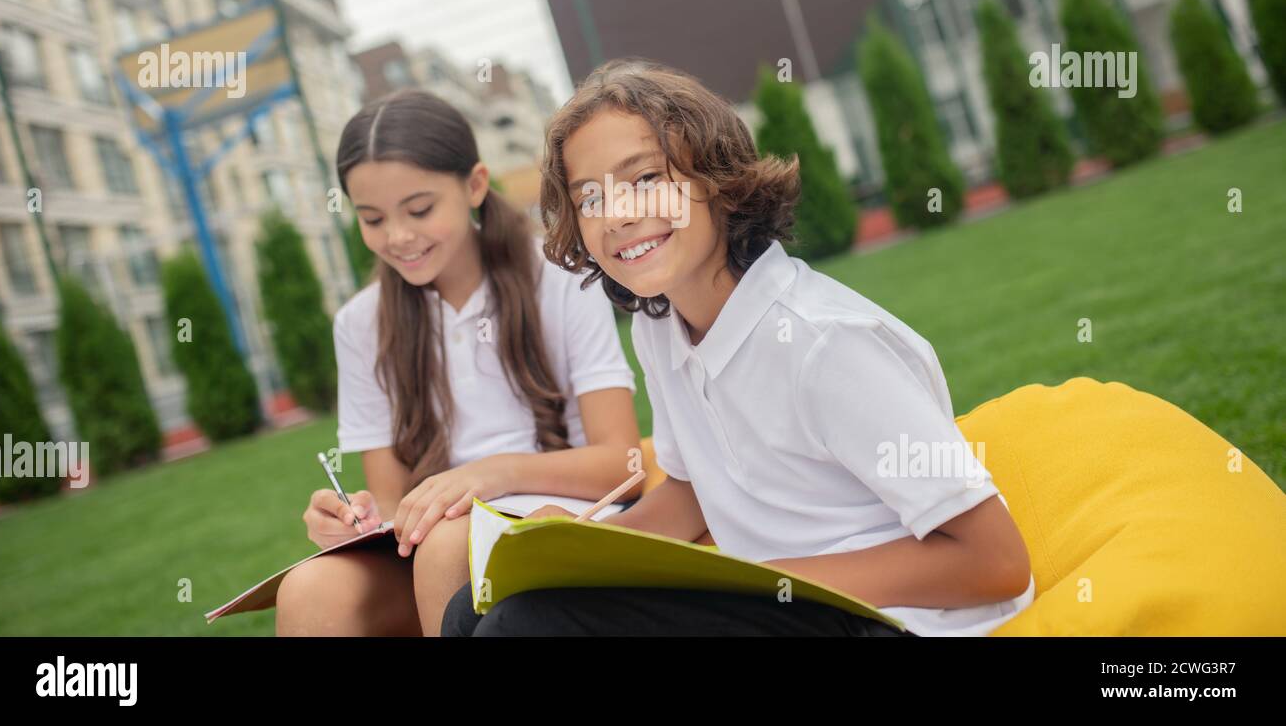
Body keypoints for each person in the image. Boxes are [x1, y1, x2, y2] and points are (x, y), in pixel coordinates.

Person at [443, 58, 1035, 636]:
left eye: (645, 179)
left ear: (717, 180)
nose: (617, 214)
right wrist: (571, 546)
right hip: (772, 598)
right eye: (590, 198)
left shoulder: (823, 344)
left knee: (526, 625)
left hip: (891, 616)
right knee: (478, 606)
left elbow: (995, 563)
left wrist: (751, 579)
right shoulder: (660, 327)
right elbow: (693, 494)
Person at [276, 89, 641, 636]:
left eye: (420, 210)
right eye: (372, 219)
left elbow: (624, 468)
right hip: (432, 537)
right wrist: (356, 521)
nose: (398, 237)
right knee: (309, 588)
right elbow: (395, 498)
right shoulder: (360, 324)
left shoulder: (561, 281)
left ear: (474, 186)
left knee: (450, 540)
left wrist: (495, 474)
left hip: (562, 516)